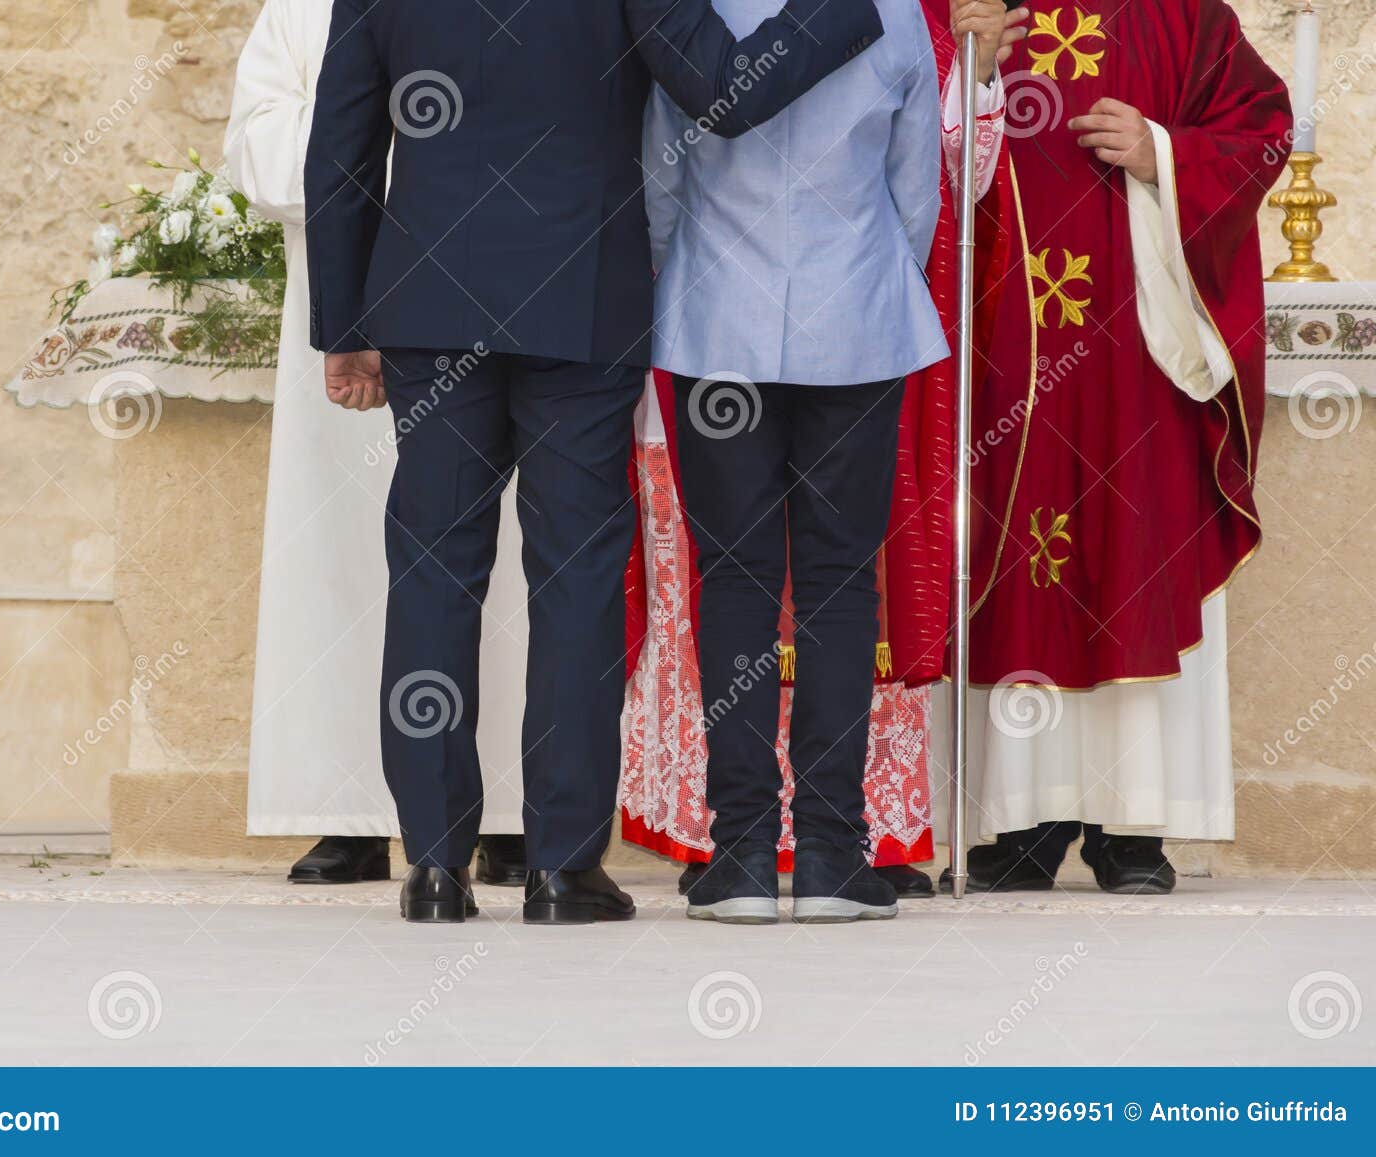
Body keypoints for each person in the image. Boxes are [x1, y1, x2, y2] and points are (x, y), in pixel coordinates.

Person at [305, 0, 887, 924]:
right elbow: (724, 94)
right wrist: (842, 14)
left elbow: (340, 141)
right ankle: (562, 867)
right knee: (575, 580)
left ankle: (434, 865)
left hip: (430, 301)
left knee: (431, 575)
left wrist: (343, 323)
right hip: (579, 296)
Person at [624, 0, 1023, 902]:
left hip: (715, 327)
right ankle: (837, 855)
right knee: (842, 584)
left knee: (733, 580)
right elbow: (918, 187)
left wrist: (671, 286)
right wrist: (870, 288)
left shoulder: (697, 19)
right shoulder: (886, 14)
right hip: (856, 328)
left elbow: (661, 177)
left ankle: (742, 857)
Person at [949, 0, 1292, 894]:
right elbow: (903, 141)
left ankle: (1133, 821)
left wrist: (1164, 153)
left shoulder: (1181, 14)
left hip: (1138, 353)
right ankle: (1016, 818)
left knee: (1136, 557)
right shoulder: (979, 7)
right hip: (1003, 352)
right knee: (1016, 566)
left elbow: (1263, 127)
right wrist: (973, 72)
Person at [224, 0, 530, 890]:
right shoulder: (302, 10)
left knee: (497, 555)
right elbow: (253, 142)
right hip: (345, 305)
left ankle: (506, 809)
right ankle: (344, 806)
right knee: (344, 563)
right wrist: (373, 145)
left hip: (477, 288)